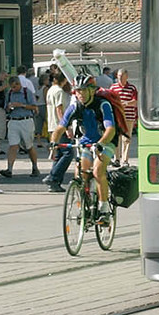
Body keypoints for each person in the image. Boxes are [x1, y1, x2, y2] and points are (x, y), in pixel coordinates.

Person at [52, 75, 118, 217]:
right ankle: (85, 204)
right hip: (86, 141)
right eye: (78, 91)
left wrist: (101, 144)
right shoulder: (75, 106)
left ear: (92, 91)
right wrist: (53, 143)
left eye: (84, 90)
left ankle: (104, 207)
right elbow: (60, 128)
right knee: (80, 173)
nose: (80, 94)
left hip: (106, 141)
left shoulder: (103, 105)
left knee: (98, 171)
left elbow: (110, 129)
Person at [0, 74, 41, 178]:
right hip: (13, 121)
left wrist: (21, 105)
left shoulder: (27, 93)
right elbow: (6, 108)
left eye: (16, 86)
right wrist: (9, 107)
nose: (14, 88)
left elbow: (34, 107)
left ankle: (35, 167)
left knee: (29, 146)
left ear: (19, 84)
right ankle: (9, 169)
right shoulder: (9, 94)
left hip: (26, 120)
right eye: (12, 87)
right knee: (13, 145)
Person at [43, 71, 74, 192]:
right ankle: (53, 176)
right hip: (58, 126)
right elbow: (59, 110)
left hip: (52, 125)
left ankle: (55, 182)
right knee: (68, 153)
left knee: (59, 154)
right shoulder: (59, 92)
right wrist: (65, 126)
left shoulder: (51, 90)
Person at [109, 69, 138, 167]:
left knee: (126, 139)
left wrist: (126, 103)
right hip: (117, 116)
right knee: (116, 138)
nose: (120, 78)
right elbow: (110, 100)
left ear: (127, 76)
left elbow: (135, 101)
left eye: (122, 76)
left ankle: (125, 160)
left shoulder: (132, 88)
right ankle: (116, 159)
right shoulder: (113, 87)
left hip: (128, 116)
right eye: (118, 76)